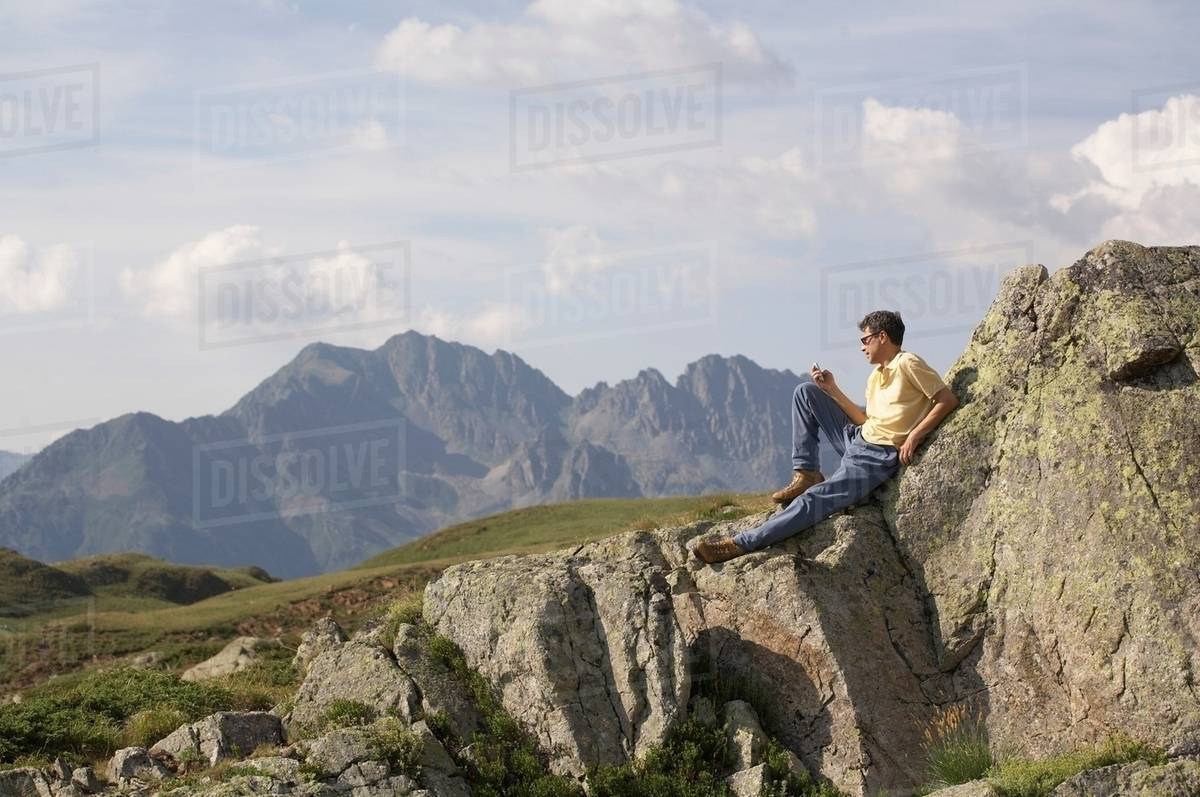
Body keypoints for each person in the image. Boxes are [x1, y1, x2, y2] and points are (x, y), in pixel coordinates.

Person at [693, 310, 959, 564]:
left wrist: (914, 435)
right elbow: (865, 421)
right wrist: (831, 389)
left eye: (865, 340)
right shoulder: (875, 377)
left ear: (883, 337)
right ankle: (807, 473)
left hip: (876, 457)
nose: (862, 347)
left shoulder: (908, 363)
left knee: (813, 501)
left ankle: (740, 544)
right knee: (805, 392)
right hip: (857, 437)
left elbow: (946, 400)